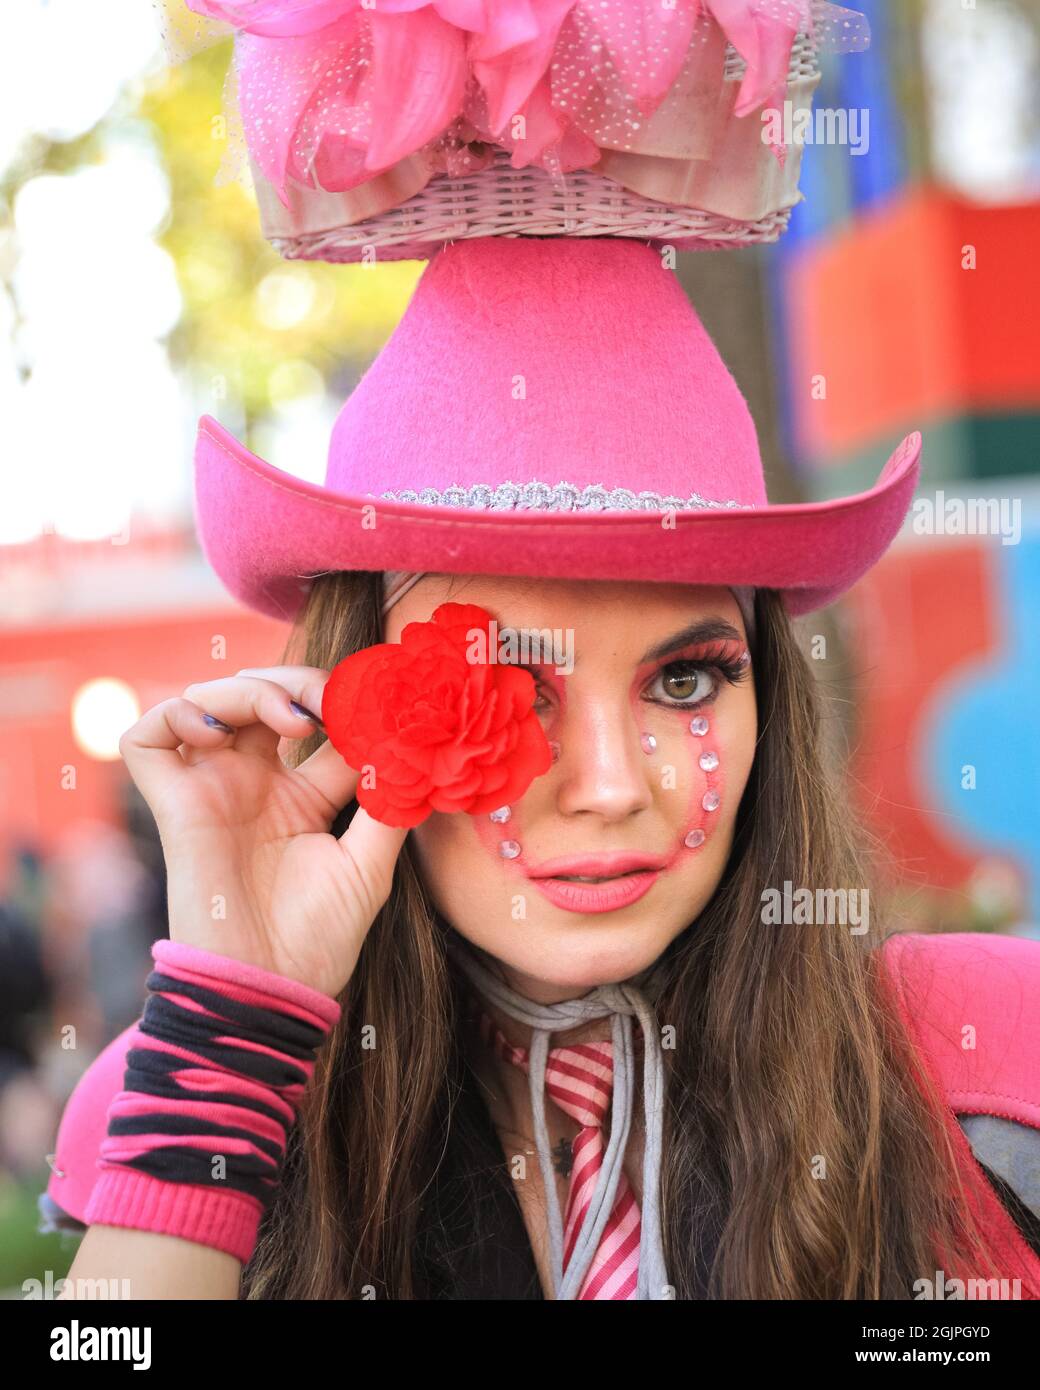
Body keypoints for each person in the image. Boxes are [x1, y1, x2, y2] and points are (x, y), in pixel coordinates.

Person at [41, 239, 1040, 1300]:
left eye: (687, 683)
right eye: (513, 692)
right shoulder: (191, 1092)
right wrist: (235, 1028)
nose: (611, 785)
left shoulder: (985, 1066)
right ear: (358, 711)